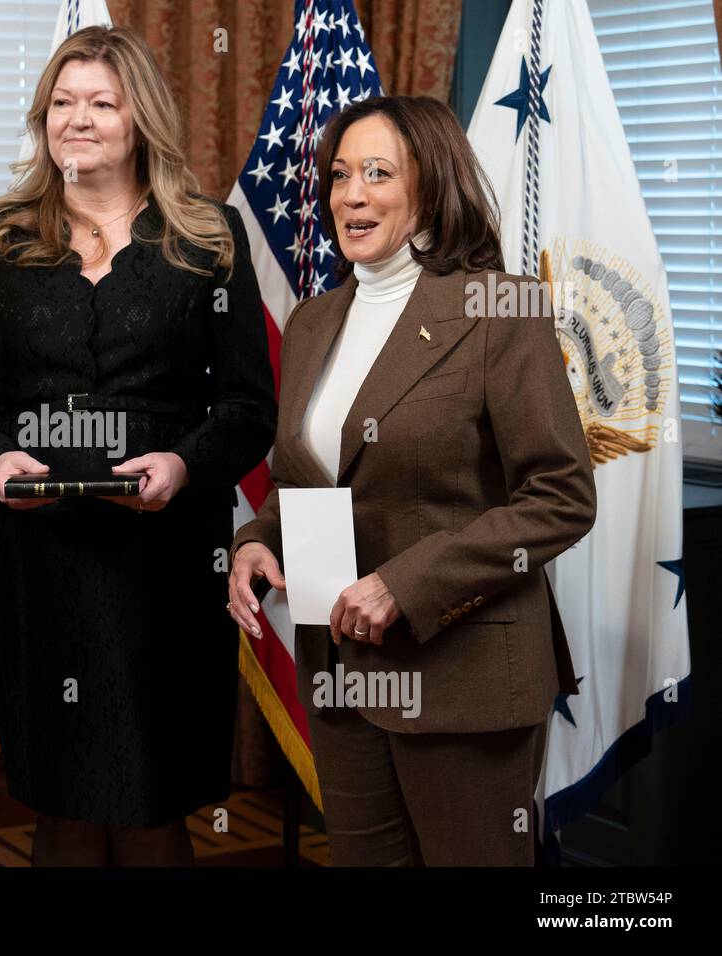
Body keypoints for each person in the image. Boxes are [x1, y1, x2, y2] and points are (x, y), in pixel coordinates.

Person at [0, 25, 276, 866]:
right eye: (62, 102)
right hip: (42, 564)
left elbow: (246, 406)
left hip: (169, 561)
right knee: (62, 803)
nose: (77, 119)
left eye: (101, 102)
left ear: (139, 117)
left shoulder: (209, 238)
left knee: (154, 799)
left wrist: (184, 464)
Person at [228, 95, 597, 866]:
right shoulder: (313, 324)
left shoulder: (502, 310)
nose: (350, 195)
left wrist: (406, 583)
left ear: (430, 185)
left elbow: (561, 497)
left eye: (376, 173)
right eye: (338, 175)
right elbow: (307, 475)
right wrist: (260, 539)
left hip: (463, 678)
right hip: (343, 676)